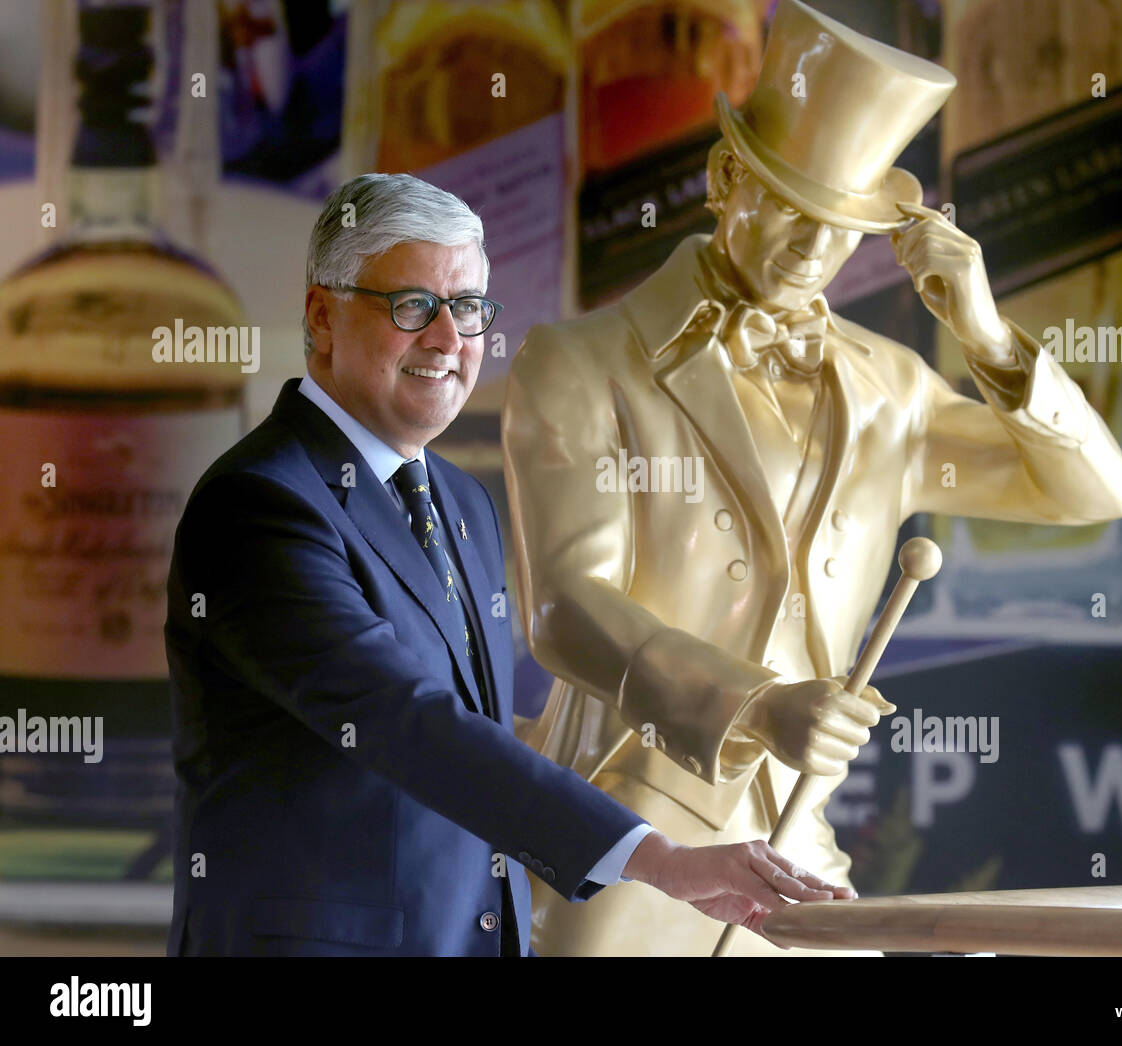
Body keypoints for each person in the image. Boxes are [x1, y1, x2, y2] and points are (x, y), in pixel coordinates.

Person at [502, 0, 1122, 956]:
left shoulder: (893, 392)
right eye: (790, 210)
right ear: (724, 179)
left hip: (796, 842)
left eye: (841, 227)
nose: (811, 250)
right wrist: (756, 706)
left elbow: (1095, 493)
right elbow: (564, 608)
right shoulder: (581, 362)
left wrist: (988, 338)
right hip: (627, 836)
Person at [164, 171, 852, 957]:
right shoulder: (257, 507)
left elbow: (480, 742)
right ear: (323, 315)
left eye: (467, 310)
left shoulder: (462, 501)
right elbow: (405, 722)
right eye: (412, 306)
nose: (449, 341)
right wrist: (660, 859)